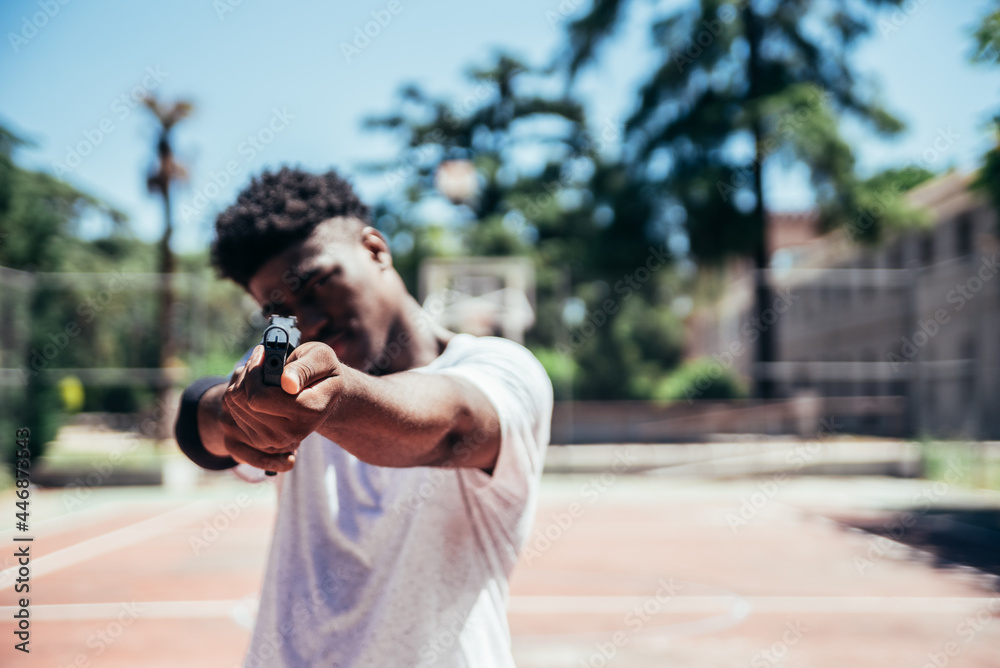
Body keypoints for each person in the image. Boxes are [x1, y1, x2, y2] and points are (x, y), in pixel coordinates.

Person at [173, 167, 553, 668]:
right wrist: (228, 415)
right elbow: (195, 421)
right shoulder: (282, 376)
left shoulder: (502, 369)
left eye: (316, 284)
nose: (307, 320)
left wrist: (336, 396)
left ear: (374, 249)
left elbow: (449, 426)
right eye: (279, 311)